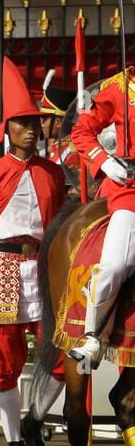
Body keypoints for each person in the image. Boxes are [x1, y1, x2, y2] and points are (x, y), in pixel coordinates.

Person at [0, 59, 66, 446]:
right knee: (4, 363)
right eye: (22, 122)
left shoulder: (54, 174)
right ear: (6, 128)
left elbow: (62, 229)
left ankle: (35, 420)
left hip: (42, 268)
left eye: (35, 122)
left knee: (58, 356)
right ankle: (13, 445)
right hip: (3, 266)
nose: (31, 129)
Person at [68, 60, 135, 368]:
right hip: (132, 192)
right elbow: (81, 131)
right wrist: (104, 161)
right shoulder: (119, 87)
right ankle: (94, 335)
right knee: (113, 265)